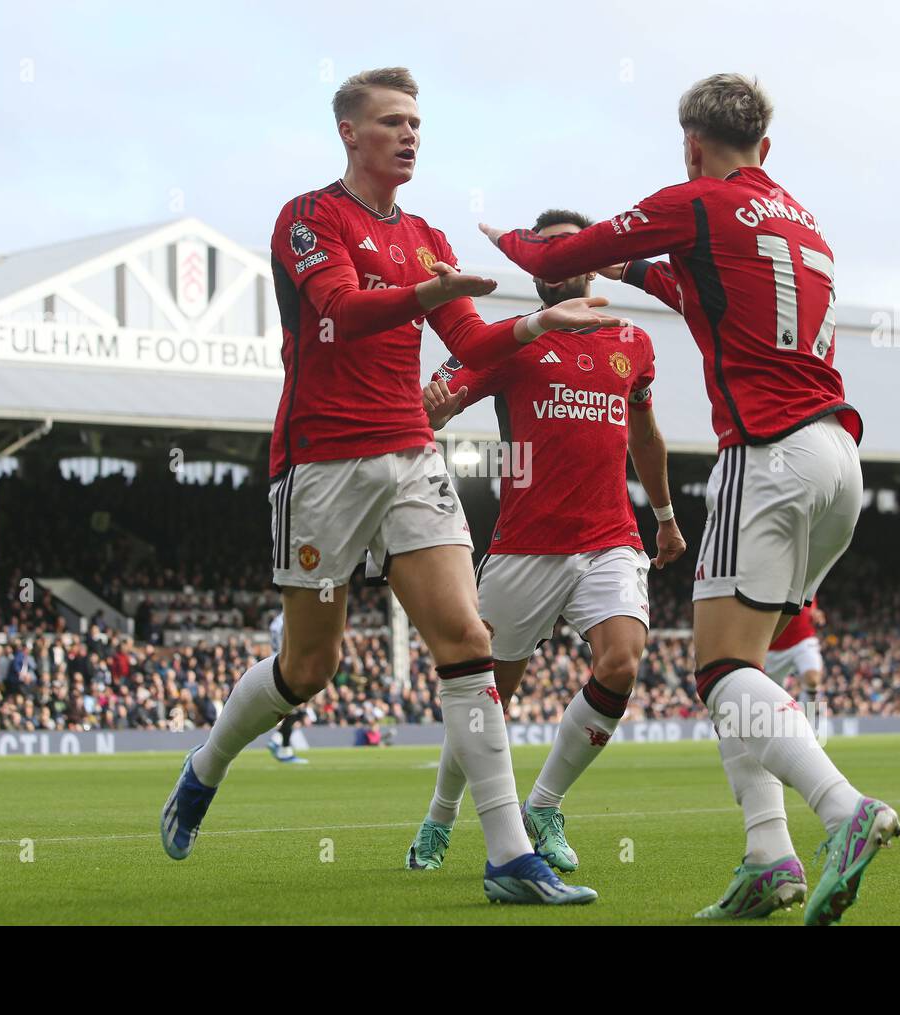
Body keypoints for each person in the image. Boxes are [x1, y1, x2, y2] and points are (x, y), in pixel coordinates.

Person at [162, 67, 619, 905]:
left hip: (410, 453)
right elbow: (335, 310)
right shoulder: (309, 218)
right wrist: (423, 292)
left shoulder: (424, 233)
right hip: (323, 462)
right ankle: (206, 766)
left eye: (417, 122)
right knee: (311, 664)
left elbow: (472, 342)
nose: (410, 135)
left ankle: (510, 855)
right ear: (349, 132)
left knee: (467, 641)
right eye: (393, 122)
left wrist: (538, 322)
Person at [482, 72, 900, 925]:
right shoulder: (801, 219)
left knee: (719, 670)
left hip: (770, 455)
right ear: (767, 148)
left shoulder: (701, 200)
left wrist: (519, 245)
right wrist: (635, 262)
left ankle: (844, 810)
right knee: (746, 668)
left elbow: (566, 257)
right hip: (840, 459)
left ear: (693, 148)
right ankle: (765, 856)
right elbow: (692, 293)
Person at [405, 208, 685, 873]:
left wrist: (666, 514)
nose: (560, 260)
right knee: (483, 696)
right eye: (547, 252)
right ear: (534, 269)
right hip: (525, 547)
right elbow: (434, 401)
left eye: (570, 249)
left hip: (610, 537)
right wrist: (431, 406)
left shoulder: (632, 342)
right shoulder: (510, 340)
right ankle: (441, 813)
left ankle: (546, 804)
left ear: (587, 259)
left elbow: (644, 435)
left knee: (622, 661)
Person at [764, 599, 825, 709]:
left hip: (802, 637)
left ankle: (806, 717)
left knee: (812, 680)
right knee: (772, 695)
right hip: (772, 646)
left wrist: (813, 610)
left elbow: (810, 591)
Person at [265, 611, 307, 764]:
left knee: (294, 710)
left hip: (275, 662)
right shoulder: (290, 619)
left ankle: (282, 746)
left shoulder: (276, 621)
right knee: (297, 708)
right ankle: (279, 743)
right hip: (288, 664)